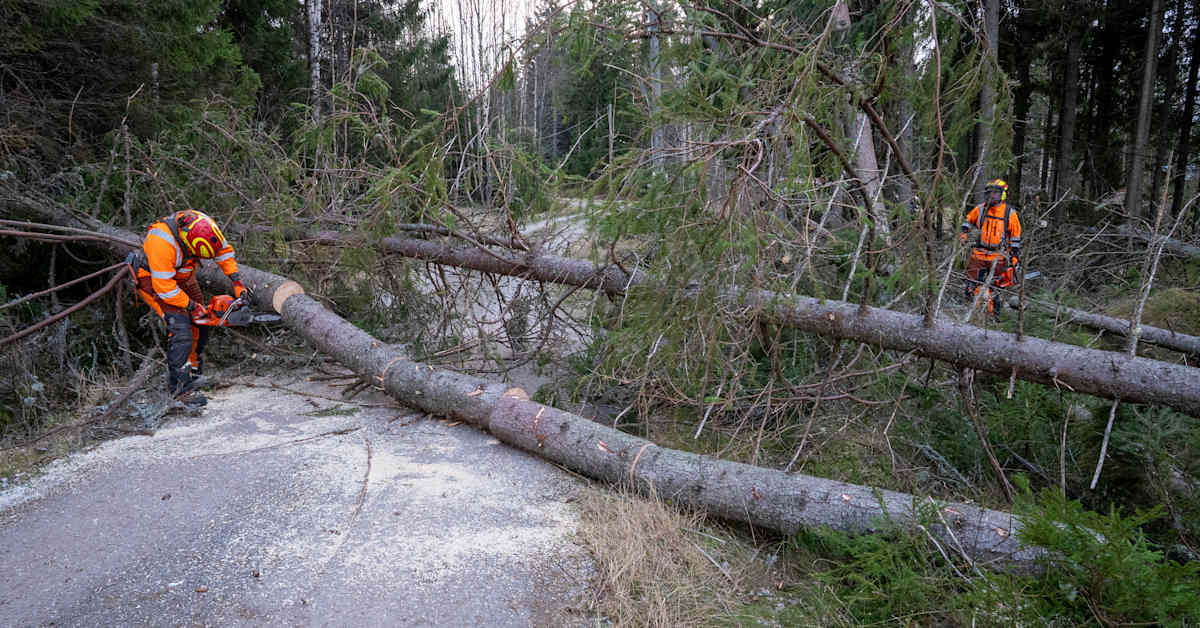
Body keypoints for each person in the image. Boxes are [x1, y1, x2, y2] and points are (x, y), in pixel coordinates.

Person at [125, 209, 252, 406]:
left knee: (202, 323)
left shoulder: (205, 227)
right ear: (186, 241)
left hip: (183, 276)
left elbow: (223, 252)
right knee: (181, 330)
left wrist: (236, 280)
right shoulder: (161, 242)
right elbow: (165, 288)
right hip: (155, 280)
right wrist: (191, 306)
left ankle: (192, 375)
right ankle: (179, 391)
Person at [960, 179, 1021, 318]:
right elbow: (967, 222)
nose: (992, 196)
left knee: (996, 288)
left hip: (998, 255)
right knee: (971, 285)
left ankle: (994, 317)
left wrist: (1014, 256)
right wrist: (963, 234)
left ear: (1003, 195)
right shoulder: (980, 209)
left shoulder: (1009, 213)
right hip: (979, 253)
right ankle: (972, 315)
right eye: (989, 193)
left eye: (996, 193)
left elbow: (1015, 237)